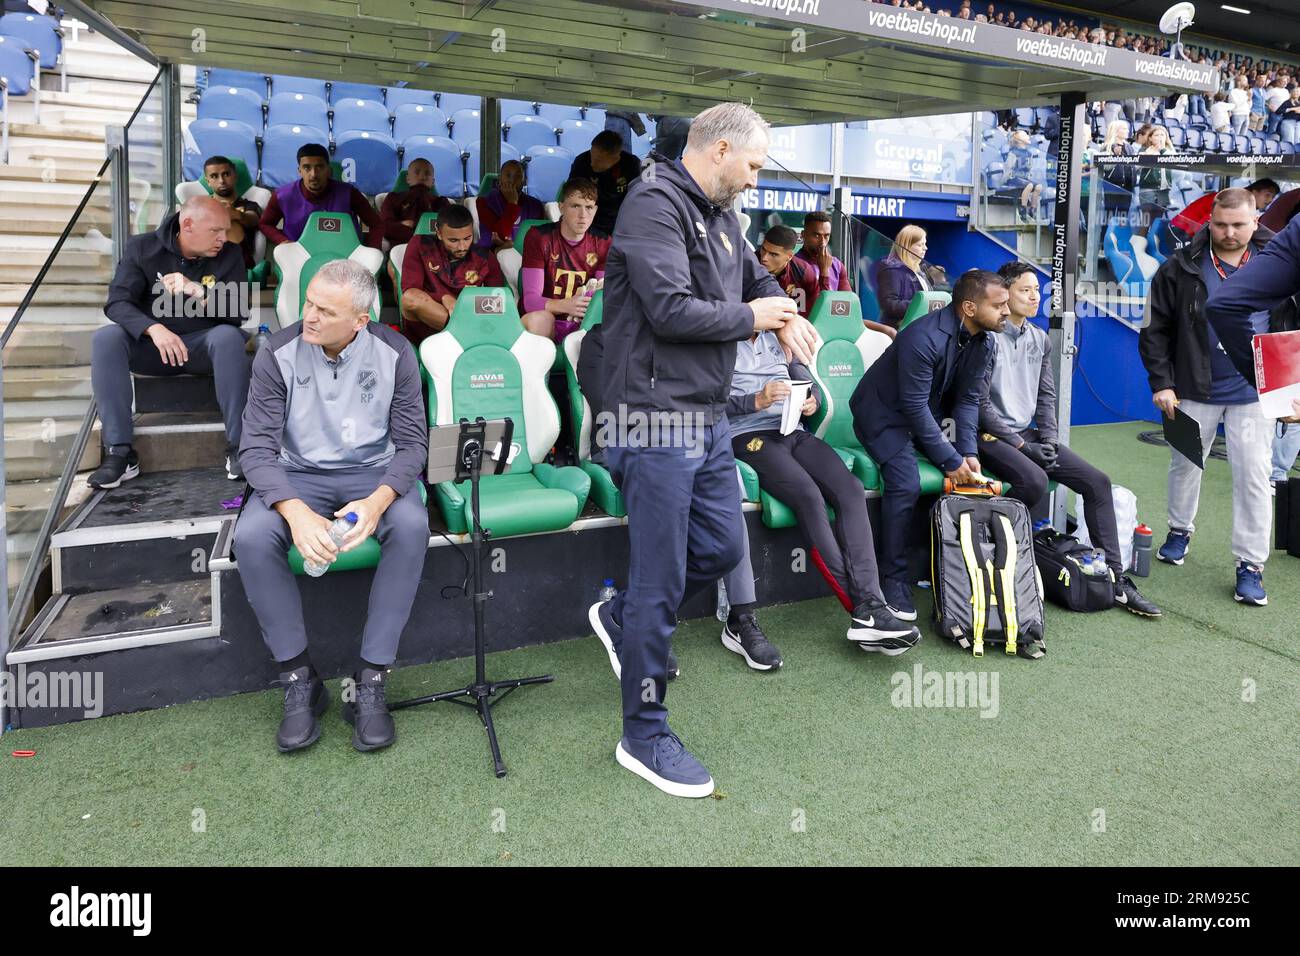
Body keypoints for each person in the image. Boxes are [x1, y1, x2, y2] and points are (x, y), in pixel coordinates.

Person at [590, 102, 817, 798]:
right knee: (661, 580)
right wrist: (757, 317)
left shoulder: (723, 214)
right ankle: (643, 735)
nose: (754, 180)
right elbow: (670, 310)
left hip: (707, 414)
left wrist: (783, 310)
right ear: (718, 150)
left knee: (720, 550)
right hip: (651, 418)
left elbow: (756, 279)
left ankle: (620, 616)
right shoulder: (651, 204)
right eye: (751, 165)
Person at [234, 260, 430, 753]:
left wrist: (378, 500)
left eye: (325, 309)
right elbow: (254, 448)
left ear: (360, 319)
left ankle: (371, 678)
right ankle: (300, 679)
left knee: (410, 525)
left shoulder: (396, 351)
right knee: (252, 538)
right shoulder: (276, 352)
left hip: (373, 474)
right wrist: (295, 511)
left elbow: (412, 445)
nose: (310, 317)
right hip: (297, 474)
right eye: (308, 303)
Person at [575, 318, 773, 677]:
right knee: (662, 501)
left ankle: (738, 618)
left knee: (726, 520)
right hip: (633, 443)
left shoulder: (682, 335)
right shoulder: (600, 341)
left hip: (695, 440)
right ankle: (650, 633)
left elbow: (712, 395)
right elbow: (614, 407)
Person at [979, 262, 1161, 617]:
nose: (1035, 297)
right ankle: (1002, 563)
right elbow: (980, 405)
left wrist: (1047, 439)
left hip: (1028, 434)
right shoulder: (987, 339)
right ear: (1004, 294)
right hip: (989, 437)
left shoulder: (1040, 338)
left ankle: (1116, 580)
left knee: (1097, 483)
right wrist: (1020, 446)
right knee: (1033, 480)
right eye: (1025, 290)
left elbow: (1047, 397)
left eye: (1036, 290)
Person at [729, 327, 921, 655]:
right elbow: (706, 401)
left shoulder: (779, 335)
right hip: (748, 436)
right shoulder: (720, 338)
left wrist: (811, 398)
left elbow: (803, 377)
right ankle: (865, 611)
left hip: (793, 430)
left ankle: (872, 605)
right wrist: (756, 400)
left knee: (850, 488)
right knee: (808, 495)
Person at [1139, 188, 1276, 606]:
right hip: (1190, 388)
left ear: (1255, 221)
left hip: (1254, 390)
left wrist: (1291, 388)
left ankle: (1250, 564)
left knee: (1253, 474)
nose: (1230, 233)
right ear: (1209, 222)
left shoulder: (1280, 265)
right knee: (1184, 464)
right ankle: (1179, 530)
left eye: (1238, 224)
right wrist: (1161, 382)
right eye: (1221, 224)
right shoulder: (1179, 266)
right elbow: (1154, 329)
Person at [849, 269, 1005, 621]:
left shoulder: (984, 339)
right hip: (881, 416)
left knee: (963, 476)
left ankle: (939, 568)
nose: (1006, 311)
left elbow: (966, 401)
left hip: (920, 414)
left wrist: (967, 453)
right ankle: (892, 576)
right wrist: (950, 459)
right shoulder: (922, 337)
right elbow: (914, 406)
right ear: (968, 307)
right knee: (906, 481)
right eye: (999, 305)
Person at [92, 196, 251, 489]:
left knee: (228, 336)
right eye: (216, 231)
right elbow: (117, 303)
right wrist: (153, 328)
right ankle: (120, 453)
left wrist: (198, 292)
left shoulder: (229, 255)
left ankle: (240, 447)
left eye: (225, 231)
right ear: (187, 224)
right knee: (106, 338)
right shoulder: (142, 248)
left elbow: (239, 312)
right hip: (154, 349)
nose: (223, 238)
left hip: (202, 347)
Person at [519, 177, 610, 342]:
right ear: (561, 207)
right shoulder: (539, 237)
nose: (583, 215)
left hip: (584, 322)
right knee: (538, 320)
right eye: (575, 206)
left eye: (589, 207)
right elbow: (530, 301)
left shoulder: (603, 242)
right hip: (548, 320)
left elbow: (600, 297)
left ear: (595, 210)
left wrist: (582, 310)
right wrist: (567, 305)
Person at [399, 203, 505, 345]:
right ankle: (468, 337)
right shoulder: (420, 245)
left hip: (468, 319)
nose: (462, 247)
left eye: (467, 238)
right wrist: (444, 297)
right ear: (439, 234)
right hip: (428, 324)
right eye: (453, 240)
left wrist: (464, 304)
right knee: (409, 299)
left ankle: (464, 336)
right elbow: (410, 290)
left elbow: (499, 301)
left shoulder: (484, 257)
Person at [258, 143, 383, 249]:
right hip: (298, 257)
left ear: (328, 170)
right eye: (307, 167)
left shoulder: (349, 194)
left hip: (343, 258)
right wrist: (283, 241)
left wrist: (372, 252)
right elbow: (265, 224)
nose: (313, 174)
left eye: (319, 167)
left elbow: (376, 224)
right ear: (299, 170)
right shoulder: (282, 196)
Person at [568, 130, 642, 237]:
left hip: (620, 222)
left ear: (616, 158)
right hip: (588, 220)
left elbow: (638, 199)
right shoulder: (582, 162)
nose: (592, 163)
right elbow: (571, 197)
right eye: (591, 155)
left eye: (598, 160)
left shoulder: (632, 165)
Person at [202, 155, 262, 270]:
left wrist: (235, 214)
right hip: (205, 259)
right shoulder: (201, 206)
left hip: (239, 262)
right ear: (208, 181)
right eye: (214, 176)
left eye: (226, 174)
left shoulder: (249, 205)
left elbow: (253, 219)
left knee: (230, 223)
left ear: (235, 176)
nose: (221, 181)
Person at [475, 160, 545, 252]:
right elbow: (498, 235)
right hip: (492, 254)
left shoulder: (535, 206)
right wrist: (512, 203)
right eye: (508, 175)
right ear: (499, 179)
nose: (512, 180)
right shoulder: (484, 202)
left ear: (525, 181)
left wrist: (513, 245)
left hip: (526, 255)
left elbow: (539, 239)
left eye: (518, 176)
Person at [379, 158, 452, 246]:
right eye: (417, 173)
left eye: (427, 174)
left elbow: (450, 228)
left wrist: (412, 224)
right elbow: (385, 227)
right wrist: (425, 232)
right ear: (408, 178)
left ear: (433, 181)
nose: (422, 177)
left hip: (435, 250)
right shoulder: (393, 198)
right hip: (402, 249)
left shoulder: (441, 202)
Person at [873, 224, 931, 329]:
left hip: (921, 326)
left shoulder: (921, 270)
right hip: (901, 329)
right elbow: (889, 304)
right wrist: (920, 304)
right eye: (920, 245)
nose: (925, 248)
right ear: (906, 246)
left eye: (925, 244)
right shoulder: (892, 270)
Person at [755, 224, 818, 318]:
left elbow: (815, 311)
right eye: (763, 249)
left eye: (773, 254)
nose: (764, 258)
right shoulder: (749, 265)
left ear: (789, 256)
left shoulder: (805, 272)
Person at [795, 210, 851, 308]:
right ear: (803, 235)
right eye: (816, 235)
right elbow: (821, 307)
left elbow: (847, 303)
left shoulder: (837, 265)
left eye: (826, 236)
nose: (822, 242)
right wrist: (824, 271)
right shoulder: (795, 264)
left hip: (835, 320)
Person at [1003, 129, 1044, 223]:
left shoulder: (1029, 153)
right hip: (1014, 178)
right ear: (1020, 140)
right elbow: (1008, 167)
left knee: (1038, 186)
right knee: (1029, 185)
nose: (1027, 136)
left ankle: (1032, 210)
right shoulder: (1013, 152)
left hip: (1024, 178)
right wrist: (1005, 179)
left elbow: (1029, 167)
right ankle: (1023, 209)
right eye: (1025, 135)